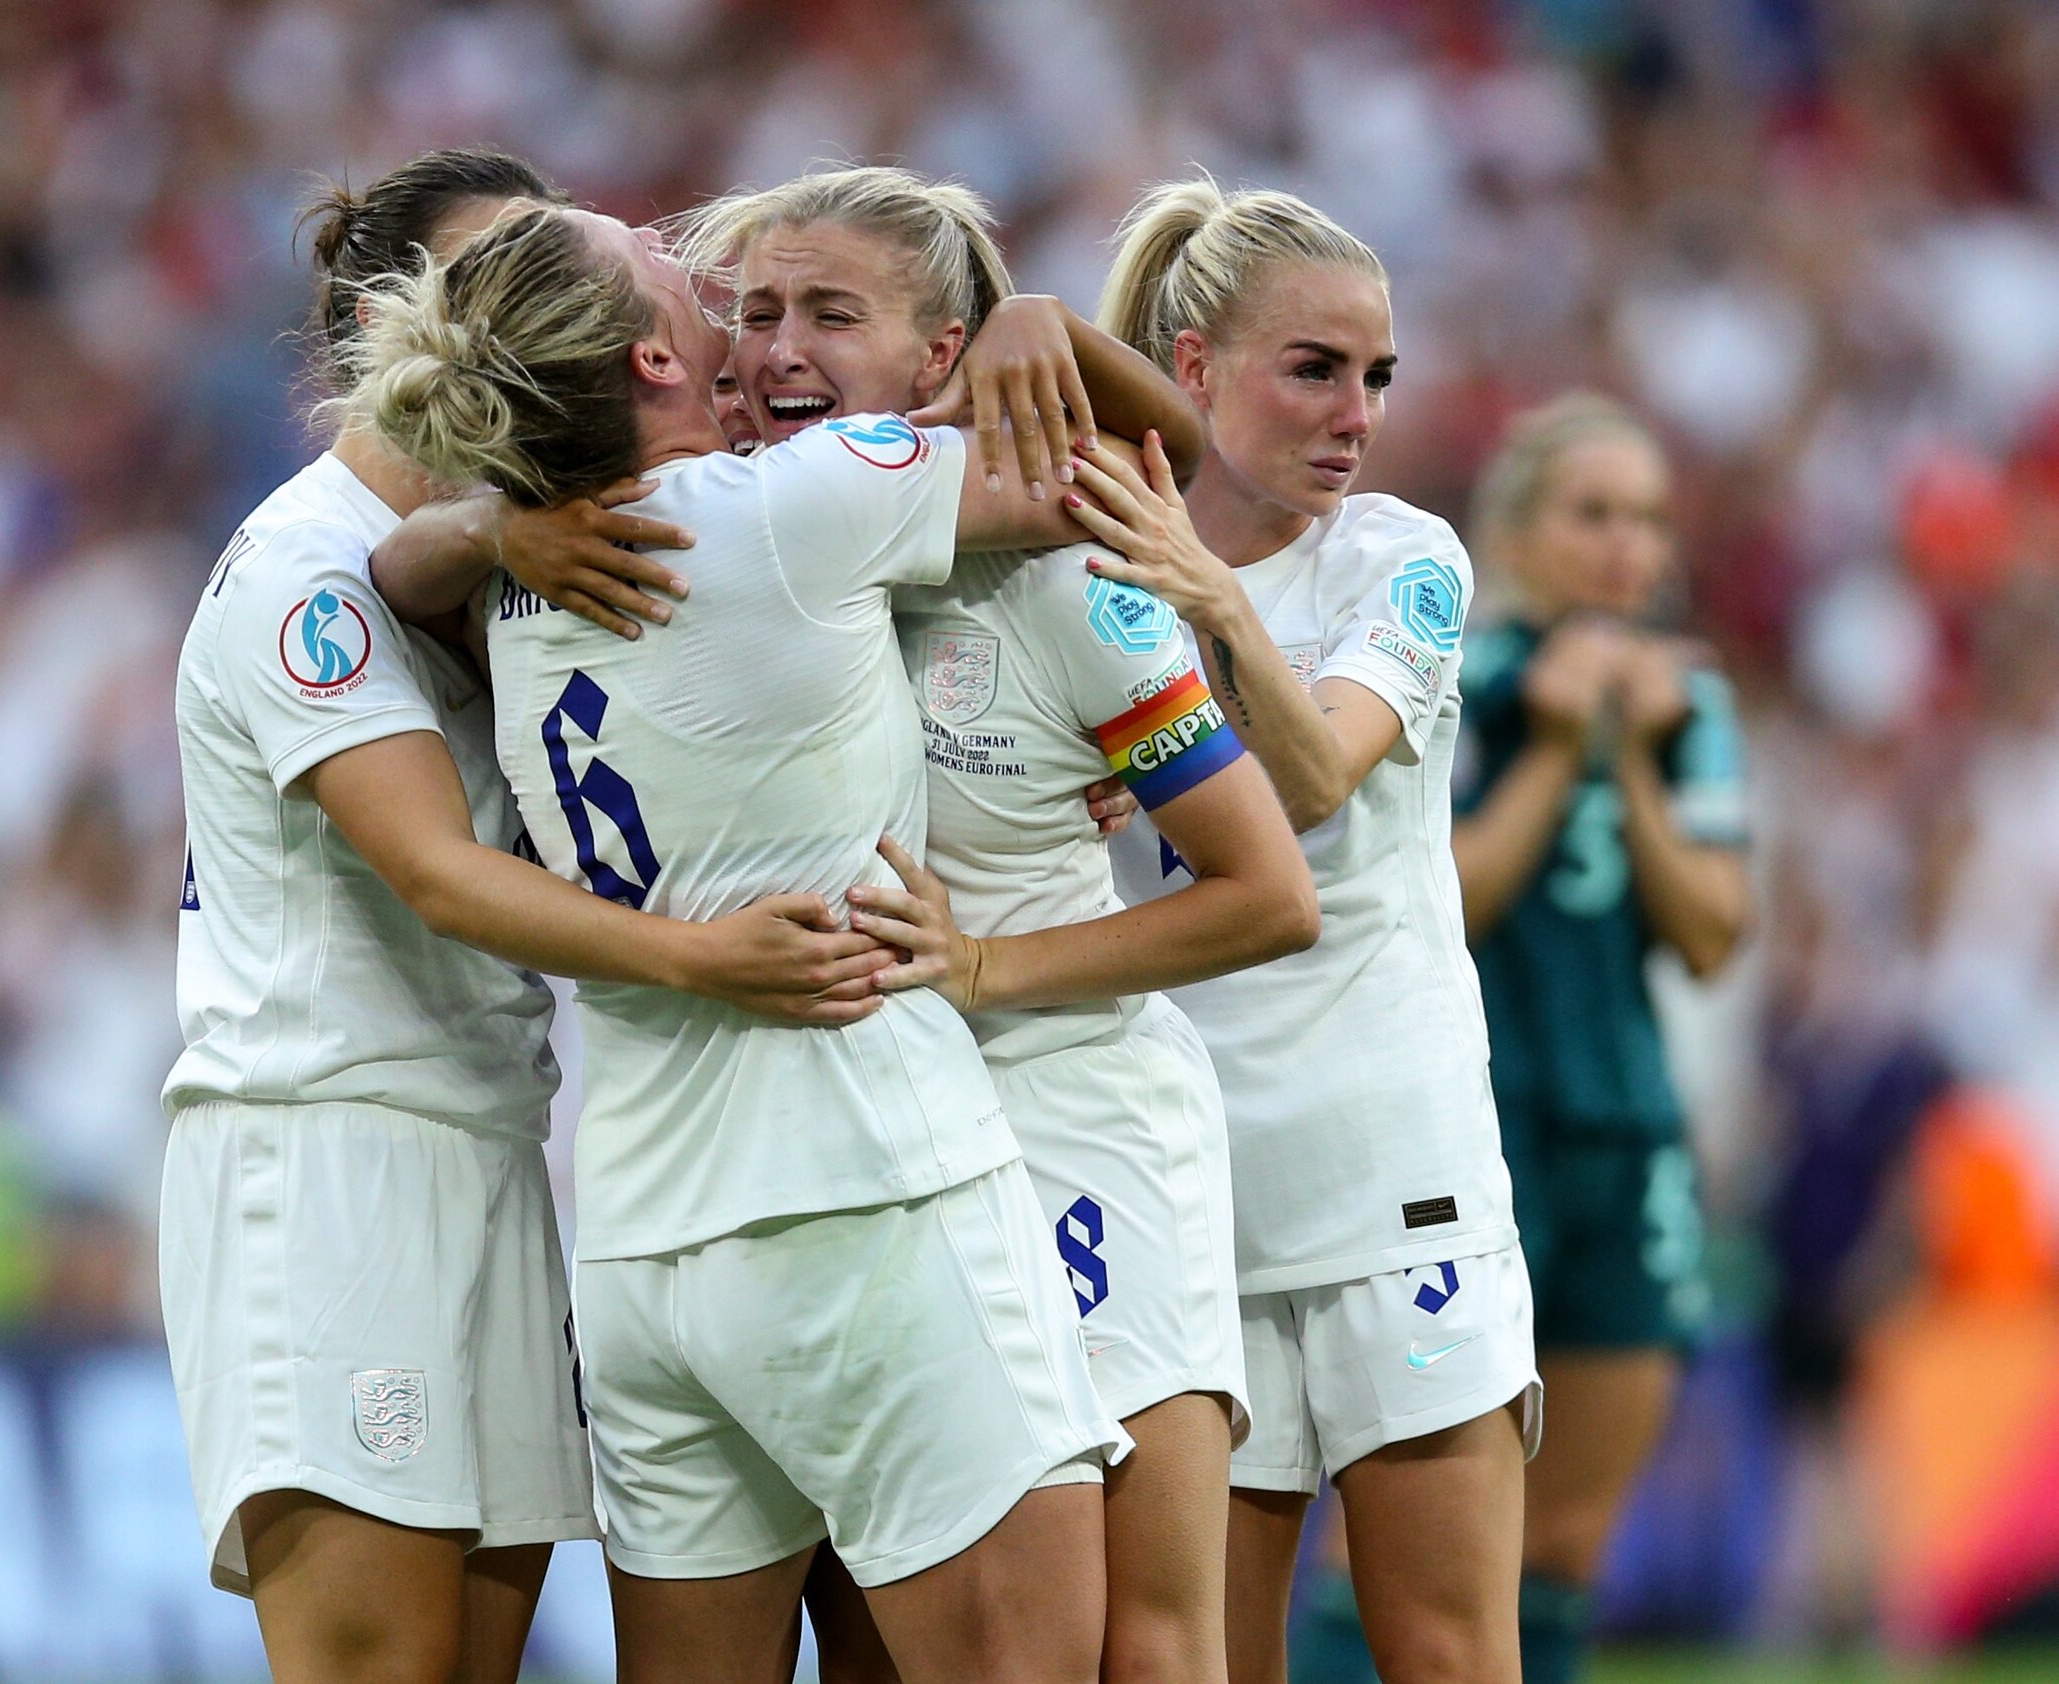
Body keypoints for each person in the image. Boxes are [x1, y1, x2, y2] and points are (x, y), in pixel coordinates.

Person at [346, 195, 1200, 1684]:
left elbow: (396, 571)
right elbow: (1139, 469)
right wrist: (1043, 330)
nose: (690, 264)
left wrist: (490, 521)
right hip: (866, 1184)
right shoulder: (798, 505)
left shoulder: (513, 581)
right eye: (656, 266)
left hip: (645, 1241)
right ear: (655, 361)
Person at [162, 149, 899, 1684]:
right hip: (329, 1157)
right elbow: (434, 871)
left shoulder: (538, 546)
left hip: (490, 1145)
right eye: (498, 274)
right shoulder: (300, 576)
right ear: (398, 328)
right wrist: (709, 959)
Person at [673, 164, 1318, 1684]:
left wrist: (982, 966)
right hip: (870, 1158)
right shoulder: (757, 564)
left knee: (1145, 1647)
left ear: (942, 359)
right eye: (755, 312)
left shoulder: (1061, 581)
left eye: (831, 313)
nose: (775, 348)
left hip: (1078, 1122)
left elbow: (1267, 889)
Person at [1064, 176, 1539, 1684]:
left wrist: (1213, 601)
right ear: (1194, 369)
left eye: (1377, 374)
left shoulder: (1401, 558)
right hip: (1185, 1194)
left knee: (1448, 1655)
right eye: (1315, 368)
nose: (1357, 412)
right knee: (1204, 1660)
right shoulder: (1071, 583)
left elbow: (1322, 770)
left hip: (1397, 1179)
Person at [1443, 394, 1751, 1684]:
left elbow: (1714, 931)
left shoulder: (1690, 700)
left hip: (1624, 1131)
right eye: (1593, 513)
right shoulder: (1448, 680)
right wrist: (1556, 746)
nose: (1628, 547)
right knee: (1431, 1542)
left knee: (1564, 1542)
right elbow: (1442, 906)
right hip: (1472, 1131)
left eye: (1648, 520)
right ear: (1515, 529)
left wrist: (1622, 760)